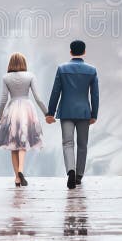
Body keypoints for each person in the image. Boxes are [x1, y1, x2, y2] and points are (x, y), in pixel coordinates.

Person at [0, 52, 48, 187]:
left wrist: (0, 115)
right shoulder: (30, 75)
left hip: (12, 109)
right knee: (23, 142)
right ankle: (21, 170)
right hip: (27, 109)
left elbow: (4, 98)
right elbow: (38, 97)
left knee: (13, 144)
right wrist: (46, 112)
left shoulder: (6, 77)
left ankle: (17, 177)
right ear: (23, 63)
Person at [46, 40, 99, 189]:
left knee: (67, 143)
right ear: (84, 51)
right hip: (84, 112)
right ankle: (79, 176)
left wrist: (50, 112)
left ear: (70, 52)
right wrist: (94, 114)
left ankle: (71, 170)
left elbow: (55, 91)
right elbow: (94, 95)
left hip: (66, 111)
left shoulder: (62, 69)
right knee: (83, 145)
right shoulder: (92, 70)